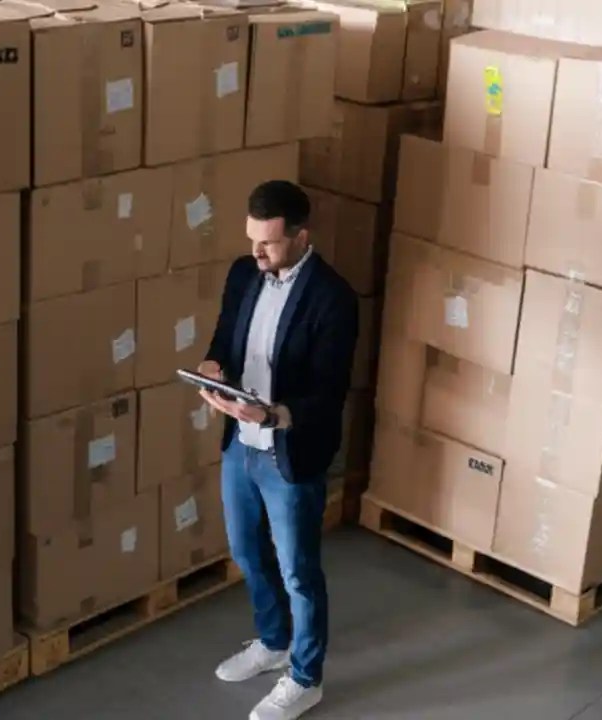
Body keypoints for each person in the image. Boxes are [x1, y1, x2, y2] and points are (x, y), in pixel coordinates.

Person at [197, 180, 358, 720]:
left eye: (267, 242)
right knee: (246, 551)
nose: (256, 251)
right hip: (239, 444)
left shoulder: (333, 298)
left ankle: (307, 678)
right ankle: (274, 641)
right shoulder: (244, 273)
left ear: (301, 236)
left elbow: (329, 391)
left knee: (299, 573)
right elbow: (226, 337)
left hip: (288, 453)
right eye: (251, 239)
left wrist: (274, 415)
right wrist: (212, 367)